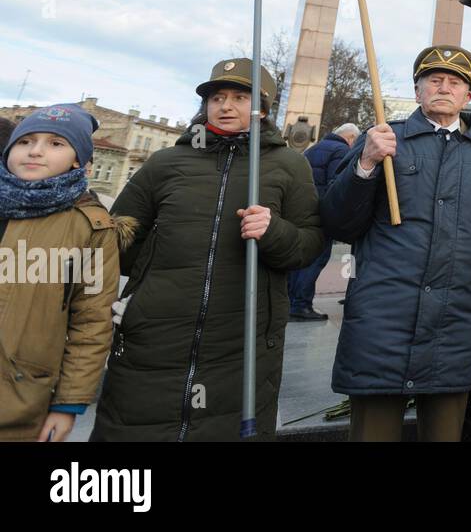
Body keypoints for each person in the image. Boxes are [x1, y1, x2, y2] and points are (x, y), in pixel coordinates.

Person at [91, 59, 324, 441]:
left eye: (239, 97)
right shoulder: (166, 162)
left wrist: (273, 232)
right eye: (217, 97)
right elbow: (119, 241)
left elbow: (308, 247)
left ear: (262, 109)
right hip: (155, 336)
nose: (226, 106)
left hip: (241, 340)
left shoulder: (289, 166)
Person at [322, 45, 471, 442]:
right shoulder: (382, 139)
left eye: (455, 82)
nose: (444, 88)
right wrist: (364, 165)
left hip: (457, 325)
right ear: (417, 92)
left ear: (468, 96)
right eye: (434, 80)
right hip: (382, 325)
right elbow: (339, 223)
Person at [0, 105, 120, 441]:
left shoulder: (92, 228)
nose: (35, 150)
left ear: (78, 161)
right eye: (25, 141)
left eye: (55, 143)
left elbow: (92, 323)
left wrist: (68, 404)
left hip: (19, 403)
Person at [288, 123, 359, 321]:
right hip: (322, 214)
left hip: (301, 212)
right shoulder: (342, 150)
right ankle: (301, 305)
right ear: (351, 138)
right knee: (316, 259)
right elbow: (336, 186)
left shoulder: (313, 149)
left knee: (301, 258)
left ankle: (291, 301)